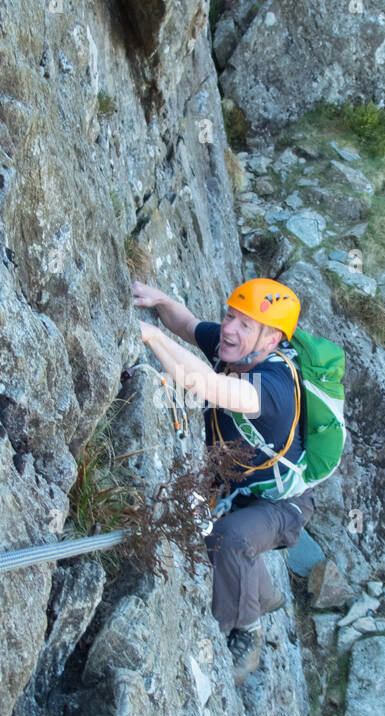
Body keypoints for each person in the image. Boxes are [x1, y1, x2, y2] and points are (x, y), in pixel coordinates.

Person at [132, 277, 315, 683]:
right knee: (210, 524)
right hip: (240, 490)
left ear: (271, 342)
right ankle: (264, 595)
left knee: (229, 537)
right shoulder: (234, 347)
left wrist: (148, 337)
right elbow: (188, 325)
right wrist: (160, 300)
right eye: (230, 315)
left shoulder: (274, 387)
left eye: (245, 324)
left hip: (281, 504)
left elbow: (209, 385)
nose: (230, 328)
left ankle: (246, 633)